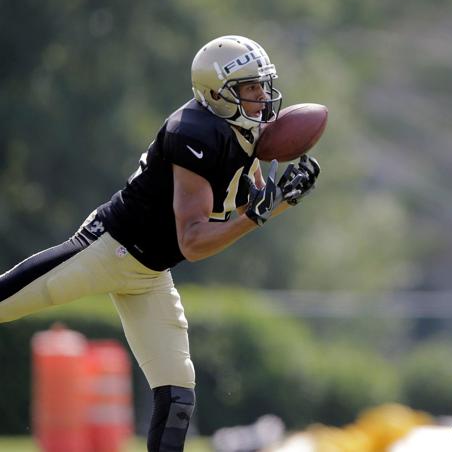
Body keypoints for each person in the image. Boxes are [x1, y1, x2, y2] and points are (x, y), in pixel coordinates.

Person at [0, 35, 321, 452]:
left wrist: (282, 202)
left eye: (263, 85)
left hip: (150, 274)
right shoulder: (194, 133)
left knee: (177, 395)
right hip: (109, 249)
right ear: (215, 94)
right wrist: (256, 215)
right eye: (249, 88)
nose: (262, 97)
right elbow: (195, 241)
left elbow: (250, 205)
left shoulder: (246, 134)